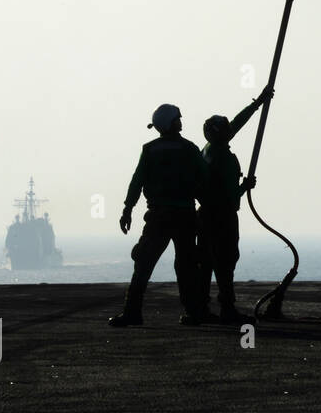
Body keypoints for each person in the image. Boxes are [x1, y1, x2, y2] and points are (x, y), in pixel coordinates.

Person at [110, 103, 208, 327]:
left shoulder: (149, 149)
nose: (181, 122)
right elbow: (205, 178)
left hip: (158, 217)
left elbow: (137, 181)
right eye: (178, 119)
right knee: (186, 267)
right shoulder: (190, 149)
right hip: (185, 215)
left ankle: (132, 312)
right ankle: (193, 312)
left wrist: (127, 209)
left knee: (143, 264)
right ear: (172, 123)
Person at [198, 87, 273, 323]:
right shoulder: (225, 159)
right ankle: (227, 308)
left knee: (206, 262)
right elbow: (228, 194)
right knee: (226, 260)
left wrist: (257, 103)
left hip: (205, 216)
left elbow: (237, 124)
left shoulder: (208, 150)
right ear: (221, 134)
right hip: (223, 216)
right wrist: (245, 186)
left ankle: (200, 308)